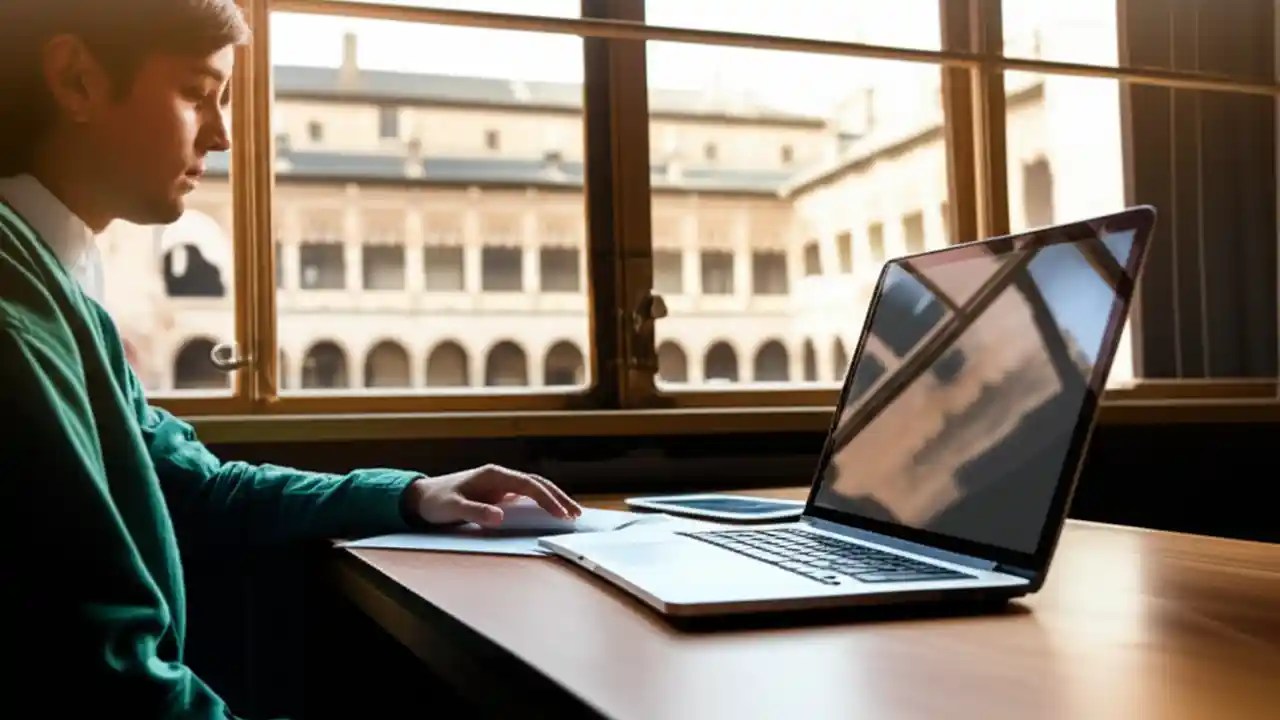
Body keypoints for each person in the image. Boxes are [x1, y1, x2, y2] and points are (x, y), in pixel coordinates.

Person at [0, 2, 581, 717]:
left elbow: (200, 487)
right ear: (77, 79)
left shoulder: (54, 279)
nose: (222, 133)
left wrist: (410, 495)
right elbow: (100, 670)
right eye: (195, 92)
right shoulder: (15, 309)